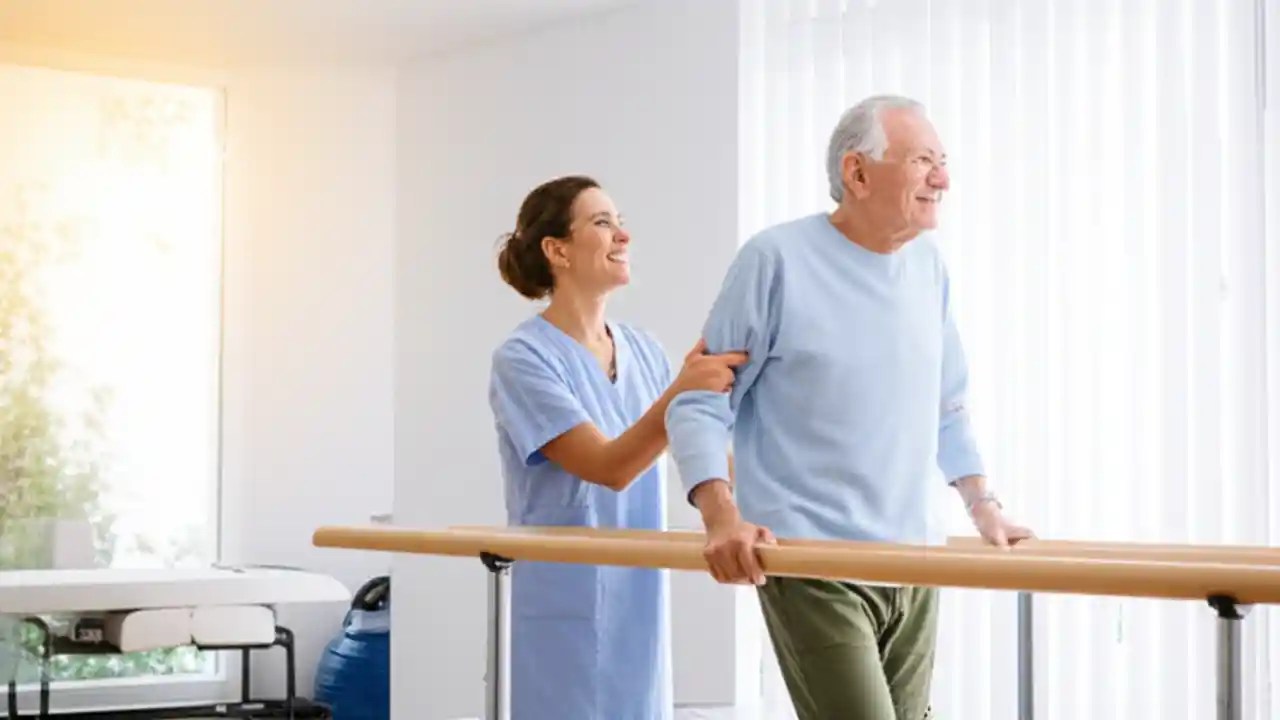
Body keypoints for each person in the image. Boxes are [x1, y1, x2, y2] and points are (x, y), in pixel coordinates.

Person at [664, 95, 1035, 720]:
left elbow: (945, 404)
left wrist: (983, 507)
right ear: (857, 173)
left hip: (914, 557)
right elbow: (699, 402)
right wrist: (721, 518)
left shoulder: (928, 268)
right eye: (923, 161)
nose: (942, 178)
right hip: (814, 557)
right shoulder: (774, 259)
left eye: (943, 162)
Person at [487, 175, 747, 720]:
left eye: (621, 222)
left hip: (638, 606)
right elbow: (608, 467)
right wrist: (681, 390)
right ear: (556, 250)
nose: (623, 236)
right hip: (561, 612)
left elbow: (693, 452)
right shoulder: (524, 359)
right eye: (603, 223)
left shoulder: (644, 351)